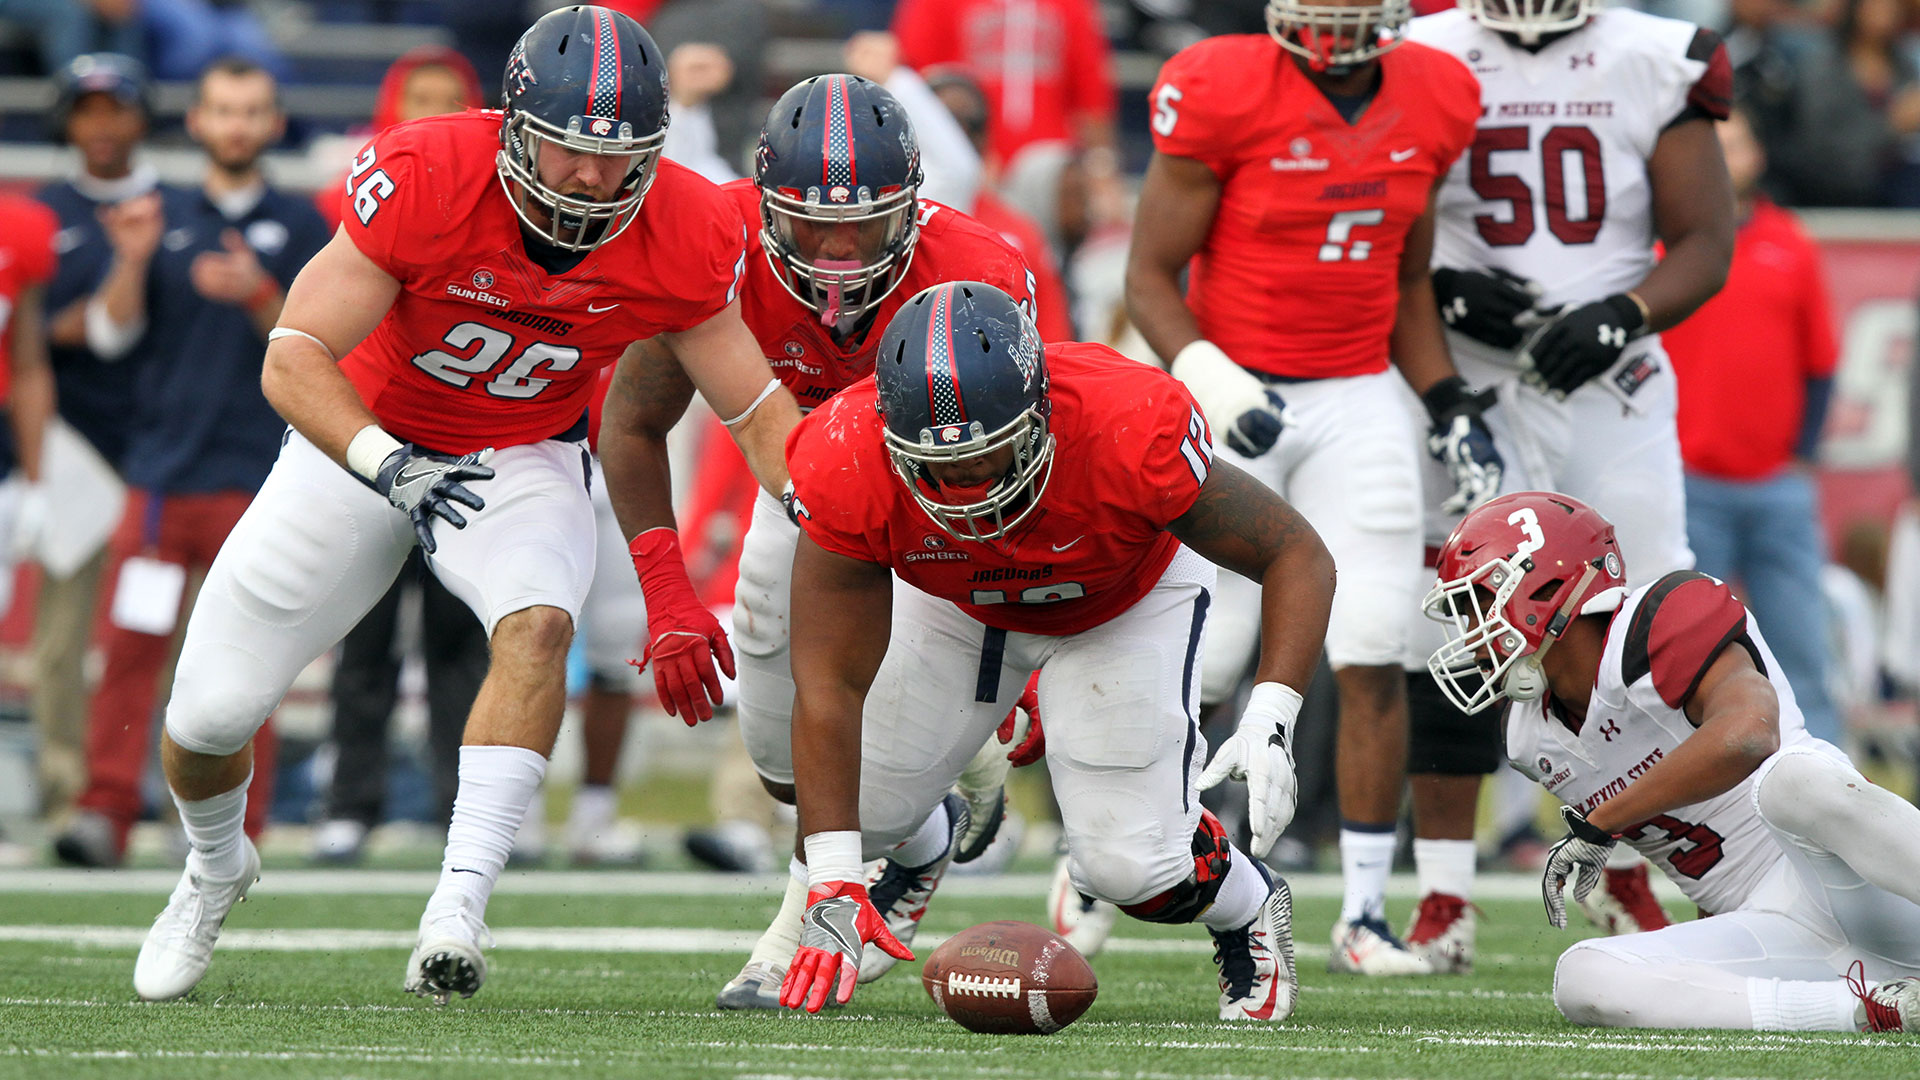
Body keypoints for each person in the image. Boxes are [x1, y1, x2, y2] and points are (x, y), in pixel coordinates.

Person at [128, 6, 799, 1005]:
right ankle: (215, 866)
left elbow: (753, 409)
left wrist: (843, 512)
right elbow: (295, 355)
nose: (591, 180)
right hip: (360, 441)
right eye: (568, 152)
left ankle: (457, 908)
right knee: (209, 716)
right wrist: (387, 463)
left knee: (539, 625)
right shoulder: (434, 171)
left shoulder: (684, 223)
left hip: (520, 451)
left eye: (617, 159)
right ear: (518, 131)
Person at [775, 281, 1332, 1022]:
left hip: (1123, 600)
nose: (965, 489)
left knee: (1133, 868)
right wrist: (836, 881)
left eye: (988, 455)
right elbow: (827, 685)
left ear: (1041, 413)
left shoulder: (1127, 421)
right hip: (957, 604)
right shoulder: (846, 454)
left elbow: (1295, 552)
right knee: (847, 810)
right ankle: (924, 841)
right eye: (936, 465)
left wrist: (1271, 712)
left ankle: (1247, 907)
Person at [629, 73, 1039, 1010]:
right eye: (813, 221)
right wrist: (667, 591)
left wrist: (1025, 644)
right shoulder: (713, 240)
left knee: (868, 762)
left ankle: (794, 940)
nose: (841, 248)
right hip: (802, 496)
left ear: (916, 205)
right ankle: (927, 831)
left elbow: (1027, 454)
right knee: (785, 773)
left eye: (867, 220)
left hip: (948, 504)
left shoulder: (976, 265)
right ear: (768, 201)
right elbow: (634, 422)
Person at [1124, 0, 1497, 975]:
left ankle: (1364, 916)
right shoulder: (1219, 84)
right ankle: (1103, 873)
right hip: (1230, 380)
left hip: (1356, 392)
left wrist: (1448, 398)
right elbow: (1150, 275)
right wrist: (1209, 376)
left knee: (1375, 640)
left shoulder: (1440, 93)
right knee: (1206, 656)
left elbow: (1409, 282)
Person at [1399, 0, 1737, 973]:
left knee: (1646, 625)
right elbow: (1384, 228)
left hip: (1610, 379)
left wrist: (1622, 311)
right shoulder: (1422, 53)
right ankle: (1443, 897)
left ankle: (1640, 863)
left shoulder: (1654, 54)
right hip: (1466, 374)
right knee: (1453, 627)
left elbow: (1707, 239)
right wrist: (1443, 293)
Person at [1424, 491, 1920, 1032]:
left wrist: (1602, 822)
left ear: (1539, 588)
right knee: (1584, 975)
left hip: (1861, 884)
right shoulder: (1528, 736)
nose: (1472, 639)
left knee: (1791, 780)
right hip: (1773, 927)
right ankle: (1879, 1011)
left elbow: (1748, 737)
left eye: (1475, 604)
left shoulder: (1657, 620)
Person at [51, 56, 331, 869]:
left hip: (258, 482)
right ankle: (105, 809)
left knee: (250, 664)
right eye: (223, 109)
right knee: (133, 649)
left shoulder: (304, 223)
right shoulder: (157, 215)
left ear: (273, 124)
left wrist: (256, 294)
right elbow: (110, 336)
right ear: (200, 122)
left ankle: (237, 827)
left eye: (252, 110)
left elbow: (327, 350)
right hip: (161, 479)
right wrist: (131, 259)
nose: (237, 124)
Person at [1665, 108, 1839, 746]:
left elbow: (1821, 362)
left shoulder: (1791, 243)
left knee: (1803, 652)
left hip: (1775, 486)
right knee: (1692, 661)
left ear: (1757, 155)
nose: (1724, 155)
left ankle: (1829, 790)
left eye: (1735, 142)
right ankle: (1708, 800)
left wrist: (1802, 456)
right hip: (1690, 484)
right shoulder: (1665, 245)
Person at [31, 51, 152, 831]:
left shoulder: (176, 202)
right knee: (61, 637)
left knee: (158, 632)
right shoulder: (42, 214)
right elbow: (31, 337)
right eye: (87, 110)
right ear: (68, 121)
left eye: (115, 108)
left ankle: (145, 784)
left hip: (159, 443)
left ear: (141, 118)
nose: (102, 125)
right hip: (75, 442)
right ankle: (65, 789)